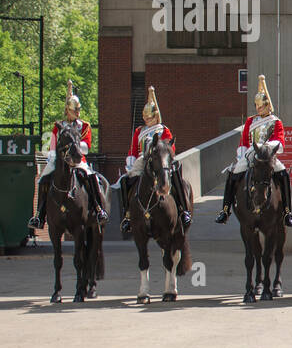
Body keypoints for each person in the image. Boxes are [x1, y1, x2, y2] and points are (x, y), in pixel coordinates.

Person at [215, 74, 292, 227]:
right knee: (233, 173)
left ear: (268, 105)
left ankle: (287, 212)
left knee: (283, 174)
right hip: (251, 153)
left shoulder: (276, 122)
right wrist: (242, 154)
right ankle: (225, 210)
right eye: (256, 106)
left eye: (261, 106)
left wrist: (267, 148)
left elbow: (279, 139)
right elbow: (244, 140)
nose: (258, 109)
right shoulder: (250, 121)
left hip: (269, 154)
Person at [30, 80, 109, 228]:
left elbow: (87, 145)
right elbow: (52, 144)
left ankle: (98, 209)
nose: (77, 113)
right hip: (60, 160)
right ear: (67, 110)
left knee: (91, 176)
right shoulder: (58, 126)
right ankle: (39, 215)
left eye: (78, 110)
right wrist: (53, 155)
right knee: (44, 179)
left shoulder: (84, 126)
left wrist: (76, 148)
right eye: (74, 110)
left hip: (78, 159)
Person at [119, 86, 191, 234]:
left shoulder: (163, 130)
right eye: (145, 117)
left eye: (149, 117)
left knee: (177, 177)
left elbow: (170, 148)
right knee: (126, 180)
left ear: (156, 116)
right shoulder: (139, 131)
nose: (147, 120)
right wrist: (131, 161)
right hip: (142, 161)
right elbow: (133, 149)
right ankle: (127, 215)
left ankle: (183, 210)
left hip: (161, 162)